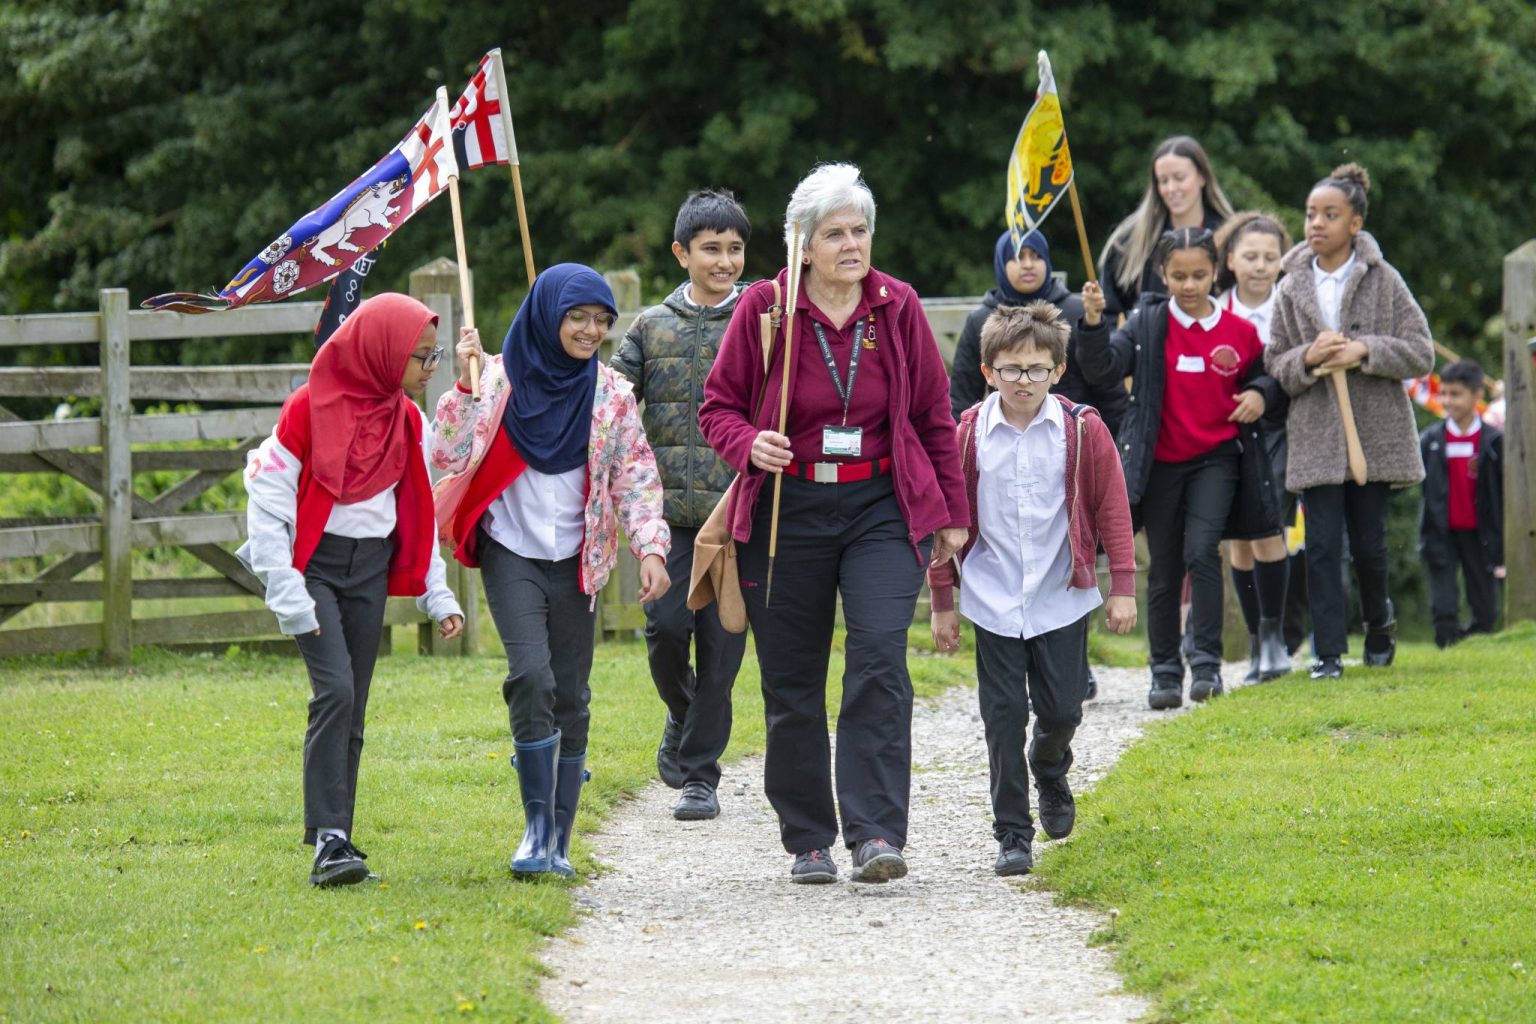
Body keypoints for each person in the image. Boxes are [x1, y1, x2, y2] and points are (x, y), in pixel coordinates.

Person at [699, 163, 968, 885]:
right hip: (789, 511)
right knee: (792, 682)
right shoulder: (766, 307)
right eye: (835, 233)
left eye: (860, 231)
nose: (852, 244)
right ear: (804, 245)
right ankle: (809, 838)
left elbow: (934, 417)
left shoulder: (898, 306)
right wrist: (748, 442)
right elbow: (717, 407)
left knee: (880, 659)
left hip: (882, 507)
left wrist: (951, 515)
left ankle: (876, 832)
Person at [431, 264, 671, 877]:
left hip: (579, 561)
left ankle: (558, 839)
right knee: (531, 676)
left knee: (572, 693)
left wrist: (650, 548)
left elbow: (636, 475)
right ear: (547, 316)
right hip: (511, 552)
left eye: (601, 321)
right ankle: (534, 830)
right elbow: (446, 456)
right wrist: (463, 391)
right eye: (578, 317)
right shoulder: (494, 379)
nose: (591, 331)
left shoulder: (610, 394)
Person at [239, 293, 465, 887]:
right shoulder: (307, 410)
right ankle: (327, 842)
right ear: (381, 353)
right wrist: (286, 591)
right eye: (420, 356)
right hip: (312, 569)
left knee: (355, 704)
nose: (428, 367)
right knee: (334, 691)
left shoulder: (406, 418)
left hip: (369, 570)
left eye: (432, 355)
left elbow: (416, 511)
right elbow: (267, 503)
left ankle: (337, 837)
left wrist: (436, 594)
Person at [929, 301, 1137, 877]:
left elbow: (1112, 508)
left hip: (1059, 595)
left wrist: (1122, 584)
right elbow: (942, 526)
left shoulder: (1081, 429)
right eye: (1012, 369)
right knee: (1001, 716)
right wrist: (943, 602)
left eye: (1037, 369)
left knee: (1062, 710)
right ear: (989, 370)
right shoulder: (966, 436)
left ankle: (1050, 767)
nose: (1025, 380)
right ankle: (1012, 833)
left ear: (1057, 371)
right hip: (991, 597)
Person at [1077, 228, 1282, 709]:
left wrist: (1259, 394)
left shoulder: (1241, 331)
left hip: (1218, 461)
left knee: (1202, 552)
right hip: (1160, 465)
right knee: (1165, 568)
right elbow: (1104, 369)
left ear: (1216, 271)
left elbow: (1267, 380)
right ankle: (1165, 671)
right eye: (1178, 275)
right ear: (1162, 275)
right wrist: (1091, 325)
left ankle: (1206, 664)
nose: (1189, 285)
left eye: (1199, 275)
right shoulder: (1146, 324)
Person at [611, 189, 751, 821]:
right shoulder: (650, 328)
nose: (724, 261)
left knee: (722, 650)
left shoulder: (763, 321)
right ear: (681, 254)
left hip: (737, 513)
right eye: (711, 249)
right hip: (665, 520)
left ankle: (701, 775)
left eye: (735, 249)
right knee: (667, 634)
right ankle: (680, 712)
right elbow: (607, 398)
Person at [1266, 163, 1434, 679]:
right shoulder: (1290, 284)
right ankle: (1328, 652)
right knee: (1319, 546)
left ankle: (1379, 624)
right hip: (1316, 432)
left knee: (1368, 541)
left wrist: (1363, 349)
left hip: (1373, 433)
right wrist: (1311, 359)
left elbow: (1421, 352)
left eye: (1330, 214)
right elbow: (1276, 360)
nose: (1316, 223)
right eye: (1311, 214)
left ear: (1355, 223)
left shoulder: (1385, 281)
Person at [1213, 211, 1295, 681]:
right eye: (1251, 256)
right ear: (1231, 259)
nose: (1261, 265)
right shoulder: (1216, 306)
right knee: (1237, 540)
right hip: (1228, 431)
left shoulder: (1289, 306)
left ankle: (1274, 636)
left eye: (1270, 256)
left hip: (1281, 428)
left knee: (1269, 528)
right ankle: (1256, 640)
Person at [949, 230, 1124, 436]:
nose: (1028, 264)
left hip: (1074, 436)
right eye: (1017, 257)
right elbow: (962, 396)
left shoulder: (1077, 313)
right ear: (1001, 264)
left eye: (1036, 256)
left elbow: (1106, 385)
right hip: (1002, 436)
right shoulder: (980, 320)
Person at [1098, 135, 1236, 319]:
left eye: (1179, 178)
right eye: (1163, 181)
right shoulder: (1130, 241)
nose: (1171, 189)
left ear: (1202, 177)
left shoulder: (1233, 237)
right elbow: (1108, 311)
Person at [1419, 359, 1503, 647]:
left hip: (1481, 534)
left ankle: (1478, 643)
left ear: (1477, 394)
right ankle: (1446, 644)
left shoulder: (1494, 442)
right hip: (1440, 532)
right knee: (1443, 603)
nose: (1447, 401)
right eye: (1444, 393)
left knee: (1485, 604)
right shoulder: (1430, 440)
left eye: (1455, 394)